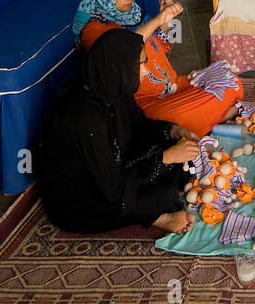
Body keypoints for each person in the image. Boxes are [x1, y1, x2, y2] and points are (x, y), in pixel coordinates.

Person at [35, 28, 201, 235]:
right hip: (83, 199)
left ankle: (160, 198)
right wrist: (166, 158)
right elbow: (113, 190)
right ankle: (159, 216)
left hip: (113, 166)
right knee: (164, 192)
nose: (146, 71)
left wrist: (173, 131)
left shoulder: (112, 88)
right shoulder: (84, 118)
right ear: (118, 67)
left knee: (181, 159)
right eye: (141, 64)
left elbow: (140, 125)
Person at [74, 0, 239, 135]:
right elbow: (125, 49)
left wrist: (164, 22)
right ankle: (213, 116)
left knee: (232, 81)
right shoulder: (93, 31)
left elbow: (161, 47)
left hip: (173, 85)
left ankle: (209, 117)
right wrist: (158, 19)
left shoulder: (132, 16)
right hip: (146, 101)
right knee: (170, 119)